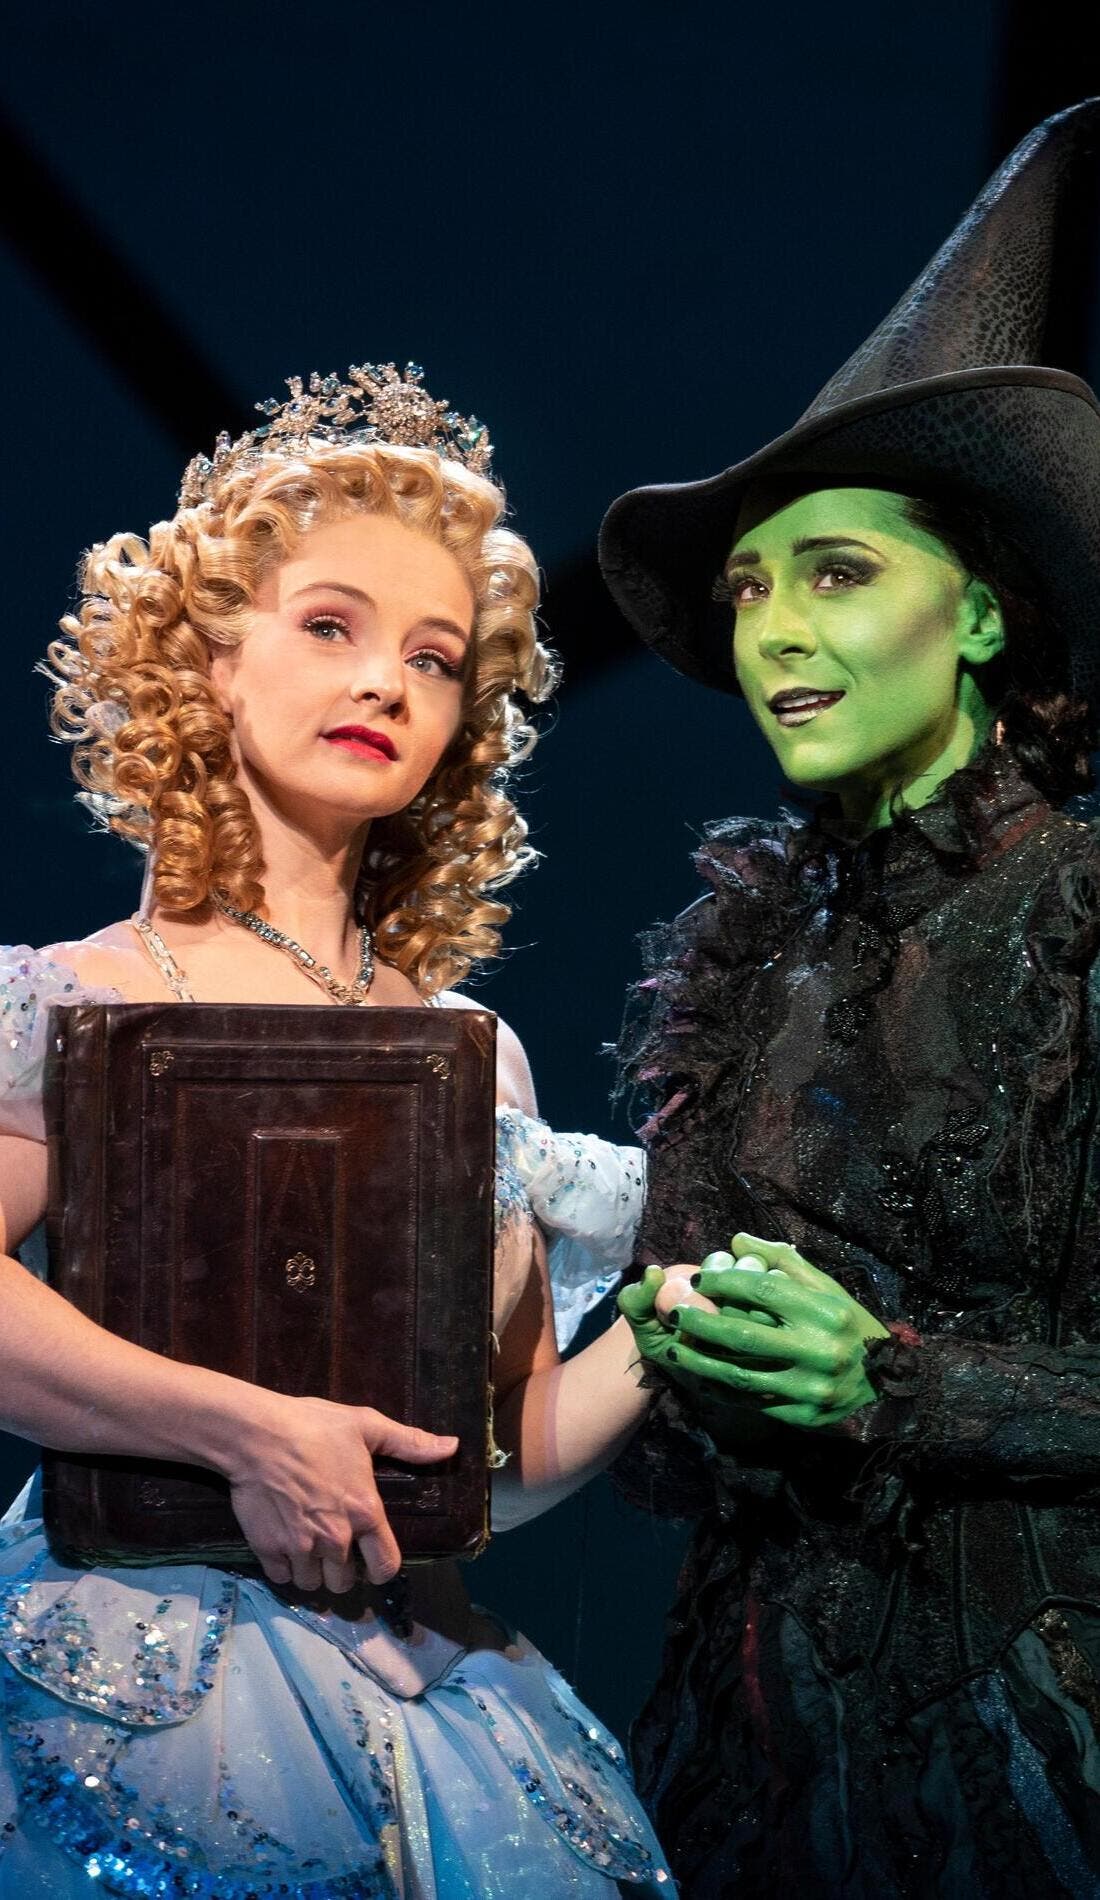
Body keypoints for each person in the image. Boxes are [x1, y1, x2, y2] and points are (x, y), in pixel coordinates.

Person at [0, 363, 672, 1896]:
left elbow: (480, 1461)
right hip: (128, 1681)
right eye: (331, 626)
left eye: (434, 659)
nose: (386, 683)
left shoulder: (475, 1057)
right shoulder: (69, 998)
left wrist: (668, 1331)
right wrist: (247, 1433)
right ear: (210, 658)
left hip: (430, 1696)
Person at [597, 103, 1100, 1897]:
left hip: (1042, 1752)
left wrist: (892, 1381)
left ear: (983, 618)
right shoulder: (752, 951)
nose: (774, 633)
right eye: (749, 587)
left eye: (839, 573)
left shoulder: (1082, 911)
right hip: (751, 1750)